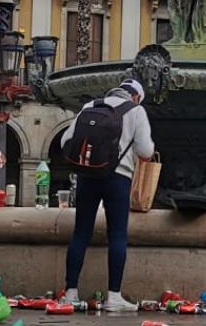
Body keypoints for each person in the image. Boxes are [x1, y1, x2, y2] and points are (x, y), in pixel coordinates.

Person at [57, 79, 155, 310]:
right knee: (118, 235)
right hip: (118, 177)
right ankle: (114, 296)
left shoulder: (90, 106)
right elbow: (145, 151)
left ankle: (70, 292)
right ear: (136, 97)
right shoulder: (136, 111)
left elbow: (65, 142)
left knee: (81, 232)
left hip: (87, 176)